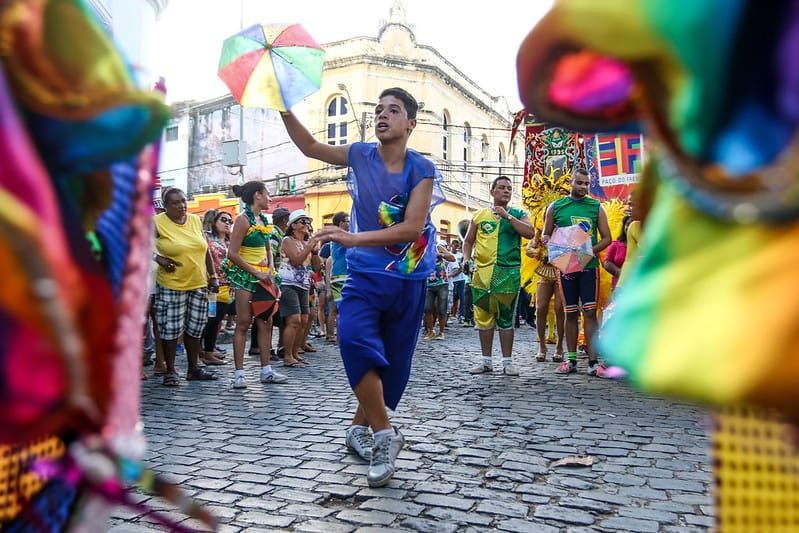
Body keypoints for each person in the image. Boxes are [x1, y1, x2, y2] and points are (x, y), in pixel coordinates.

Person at [281, 87, 443, 487]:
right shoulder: (359, 154)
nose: (382, 115)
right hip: (365, 275)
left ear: (411, 123)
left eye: (394, 110)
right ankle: (386, 435)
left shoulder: (420, 168)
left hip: (408, 276)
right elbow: (310, 144)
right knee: (354, 342)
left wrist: (351, 237)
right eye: (378, 109)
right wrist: (282, 106)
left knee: (392, 365)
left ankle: (359, 429)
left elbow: (411, 227)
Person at [542, 168, 611, 376]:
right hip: (567, 269)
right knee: (569, 312)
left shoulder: (597, 207)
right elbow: (545, 234)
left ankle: (592, 361)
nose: (583, 187)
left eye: (586, 183)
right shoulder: (556, 207)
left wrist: (586, 252)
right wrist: (553, 245)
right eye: (579, 183)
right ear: (570, 182)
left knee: (590, 312)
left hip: (589, 269)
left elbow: (607, 238)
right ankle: (570, 360)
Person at [462, 176, 534, 376]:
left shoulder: (519, 214)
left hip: (508, 273)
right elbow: (468, 241)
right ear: (492, 192)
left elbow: (530, 233)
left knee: (506, 318)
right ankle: (486, 361)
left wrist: (508, 217)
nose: (506, 191)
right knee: (484, 318)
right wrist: (466, 260)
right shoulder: (479, 215)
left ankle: (507, 362)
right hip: (482, 273)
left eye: (509, 189)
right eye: (501, 188)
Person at [221, 180, 288, 389]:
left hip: (264, 277)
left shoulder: (264, 220)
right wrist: (256, 272)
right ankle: (239, 374)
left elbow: (268, 248)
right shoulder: (242, 220)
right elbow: (232, 254)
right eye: (268, 193)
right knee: (242, 322)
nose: (270, 198)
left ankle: (266, 370)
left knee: (265, 323)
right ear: (257, 195)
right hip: (246, 276)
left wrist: (268, 270)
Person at [153, 187, 219, 386]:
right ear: (166, 206)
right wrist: (158, 258)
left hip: (197, 282)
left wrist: (213, 275)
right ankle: (170, 370)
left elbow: (205, 249)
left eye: (183, 201)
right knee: (171, 329)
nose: (181, 206)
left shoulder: (194, 220)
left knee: (195, 327)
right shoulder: (156, 223)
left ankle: (194, 368)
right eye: (175, 203)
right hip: (171, 284)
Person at [278, 209, 321, 367]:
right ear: (293, 225)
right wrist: (310, 245)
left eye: (308, 222)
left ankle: (295, 353)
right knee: (294, 320)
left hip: (303, 284)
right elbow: (295, 261)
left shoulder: (306, 244)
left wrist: (314, 251)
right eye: (303, 222)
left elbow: (316, 267)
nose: (307, 225)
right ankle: (287, 356)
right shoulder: (287, 240)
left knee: (304, 320)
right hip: (288, 283)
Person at [526, 229, 565, 362]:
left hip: (562, 272)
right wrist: (540, 253)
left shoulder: (564, 231)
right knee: (540, 308)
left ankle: (559, 346)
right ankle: (542, 346)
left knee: (560, 309)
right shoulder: (539, 233)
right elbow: (529, 249)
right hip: (544, 273)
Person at [200, 210, 235, 365]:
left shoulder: (230, 241)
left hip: (228, 286)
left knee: (217, 320)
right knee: (209, 320)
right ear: (215, 221)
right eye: (223, 219)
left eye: (230, 221)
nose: (227, 223)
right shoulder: (207, 238)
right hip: (212, 285)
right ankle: (203, 352)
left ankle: (209, 350)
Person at [323, 211, 351, 345]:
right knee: (342, 310)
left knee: (339, 310)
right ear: (341, 223)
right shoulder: (339, 236)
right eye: (347, 221)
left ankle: (339, 337)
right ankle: (340, 339)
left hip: (343, 276)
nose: (350, 223)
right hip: (340, 277)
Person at [422, 241, 455, 340]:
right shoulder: (420, 249)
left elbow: (452, 258)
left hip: (442, 283)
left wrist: (440, 254)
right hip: (428, 284)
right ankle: (431, 331)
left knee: (442, 309)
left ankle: (441, 332)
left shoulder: (438, 247)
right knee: (427, 308)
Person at [603, 215, 630, 290]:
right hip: (619, 286)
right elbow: (607, 263)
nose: (630, 228)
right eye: (628, 224)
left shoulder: (645, 245)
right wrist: (620, 273)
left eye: (634, 225)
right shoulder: (615, 244)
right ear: (624, 226)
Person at [448, 239, 467, 322]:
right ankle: (449, 315)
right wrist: (457, 271)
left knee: (462, 298)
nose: (456, 248)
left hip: (461, 279)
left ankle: (461, 316)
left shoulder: (461, 255)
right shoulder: (448, 254)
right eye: (455, 246)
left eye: (458, 246)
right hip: (452, 279)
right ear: (452, 245)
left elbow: (464, 266)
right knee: (452, 298)